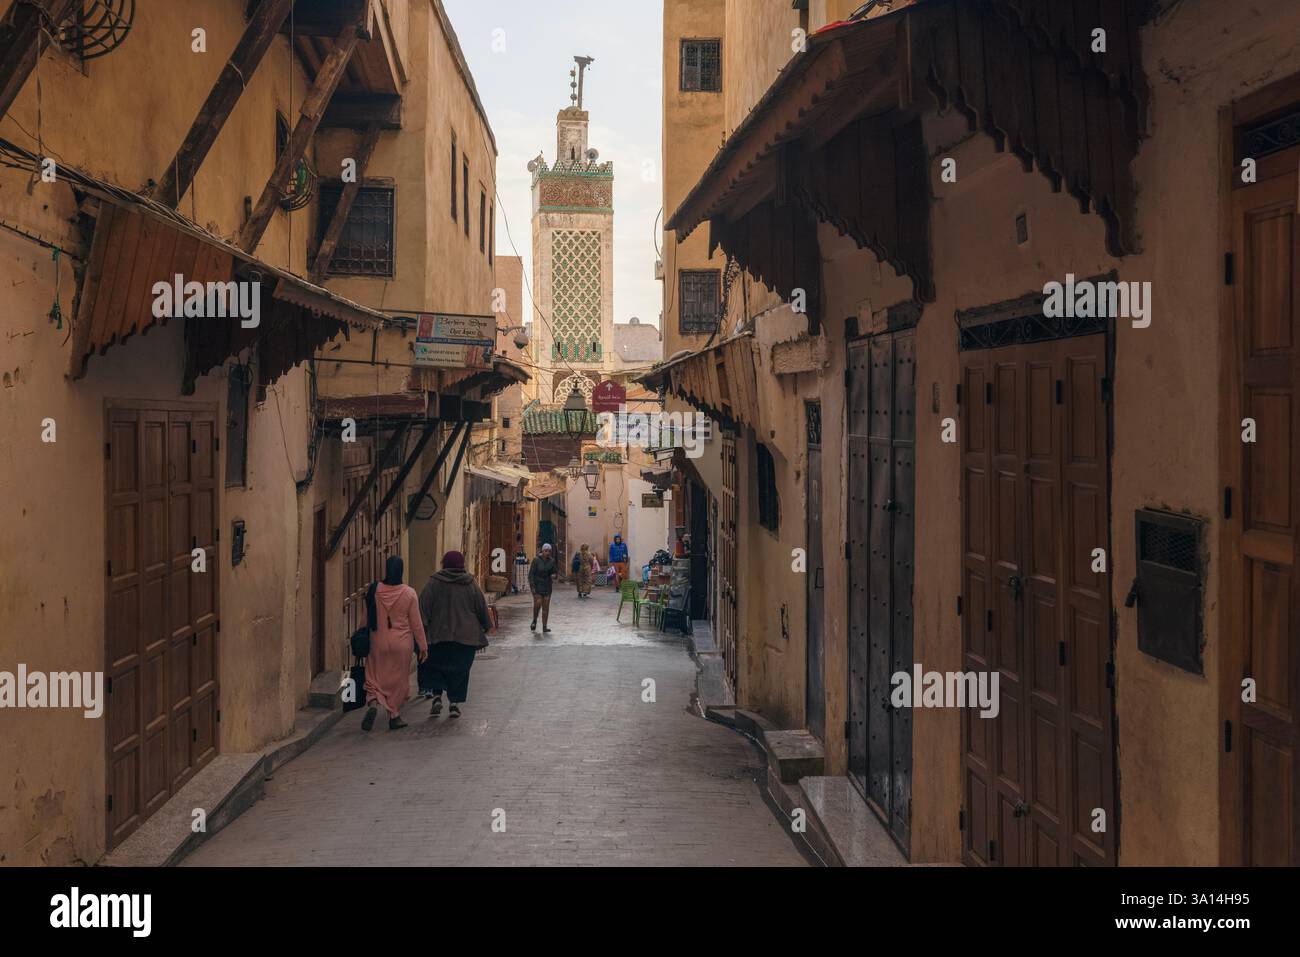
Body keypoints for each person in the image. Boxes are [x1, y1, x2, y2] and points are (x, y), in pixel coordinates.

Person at [418, 550, 490, 718]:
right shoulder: (470, 583)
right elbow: (481, 606)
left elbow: (423, 607)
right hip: (464, 638)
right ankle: (454, 704)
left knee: (437, 668)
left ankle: (437, 697)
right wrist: (486, 625)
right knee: (460, 672)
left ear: (444, 563)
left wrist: (422, 629)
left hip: (438, 636)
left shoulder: (434, 583)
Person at [362, 556, 427, 732]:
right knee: (399, 681)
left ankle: (373, 702)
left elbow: (366, 618)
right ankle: (394, 715)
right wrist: (422, 645)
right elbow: (416, 623)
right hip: (402, 643)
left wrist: (363, 634)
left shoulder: (374, 590)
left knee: (374, 676)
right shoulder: (409, 593)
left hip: (378, 641)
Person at [528, 543, 558, 632]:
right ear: (542, 551)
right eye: (546, 551)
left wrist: (554, 575)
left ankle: (544, 626)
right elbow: (531, 574)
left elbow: (555, 572)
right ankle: (534, 620)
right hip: (537, 585)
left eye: (549, 551)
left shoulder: (551, 561)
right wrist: (532, 586)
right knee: (538, 603)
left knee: (546, 606)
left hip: (547, 585)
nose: (547, 553)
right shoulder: (536, 560)